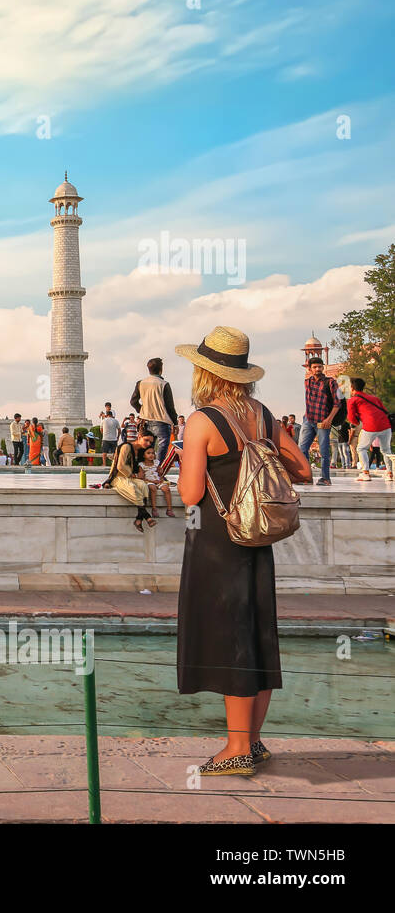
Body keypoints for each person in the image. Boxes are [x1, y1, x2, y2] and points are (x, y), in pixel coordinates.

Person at [173, 325, 311, 776]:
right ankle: (252, 741)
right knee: (255, 632)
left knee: (230, 637)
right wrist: (262, 450)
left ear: (205, 373)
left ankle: (236, 749)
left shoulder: (202, 421)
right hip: (257, 538)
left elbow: (191, 494)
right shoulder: (263, 414)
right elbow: (304, 470)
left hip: (218, 540)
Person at [101, 429, 155, 531]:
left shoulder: (141, 450)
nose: (148, 444)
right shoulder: (126, 446)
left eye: (150, 442)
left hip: (131, 477)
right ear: (139, 437)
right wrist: (133, 475)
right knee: (132, 488)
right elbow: (120, 466)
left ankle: (138, 519)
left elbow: (144, 465)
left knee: (143, 486)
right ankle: (147, 516)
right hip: (118, 477)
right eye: (146, 440)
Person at [300, 357, 340, 486]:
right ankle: (306, 477)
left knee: (324, 451)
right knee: (302, 449)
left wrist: (329, 419)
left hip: (323, 421)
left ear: (323, 367)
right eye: (315, 367)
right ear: (310, 369)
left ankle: (325, 478)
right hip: (308, 419)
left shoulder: (331, 382)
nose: (318, 369)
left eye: (320, 367)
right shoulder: (307, 382)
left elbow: (337, 403)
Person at [130, 357, 179, 461]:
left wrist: (142, 410)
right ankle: (158, 474)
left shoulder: (140, 383)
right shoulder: (164, 384)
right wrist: (175, 423)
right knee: (160, 454)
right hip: (161, 421)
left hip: (145, 421)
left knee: (146, 452)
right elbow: (170, 407)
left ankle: (146, 474)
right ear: (161, 369)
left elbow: (133, 402)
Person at [346, 377, 392, 482]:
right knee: (386, 450)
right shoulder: (374, 398)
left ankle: (365, 473)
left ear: (352, 388)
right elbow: (384, 411)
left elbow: (352, 419)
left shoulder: (352, 400)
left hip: (371, 426)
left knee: (361, 448)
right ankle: (390, 473)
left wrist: (359, 422)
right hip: (386, 425)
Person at [138, 446, 175, 517]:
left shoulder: (156, 463)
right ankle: (154, 509)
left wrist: (161, 477)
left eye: (153, 453)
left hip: (158, 480)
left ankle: (169, 509)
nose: (151, 455)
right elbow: (142, 478)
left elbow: (160, 473)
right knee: (153, 488)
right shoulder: (142, 465)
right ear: (143, 455)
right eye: (148, 453)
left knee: (166, 489)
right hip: (148, 481)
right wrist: (152, 481)